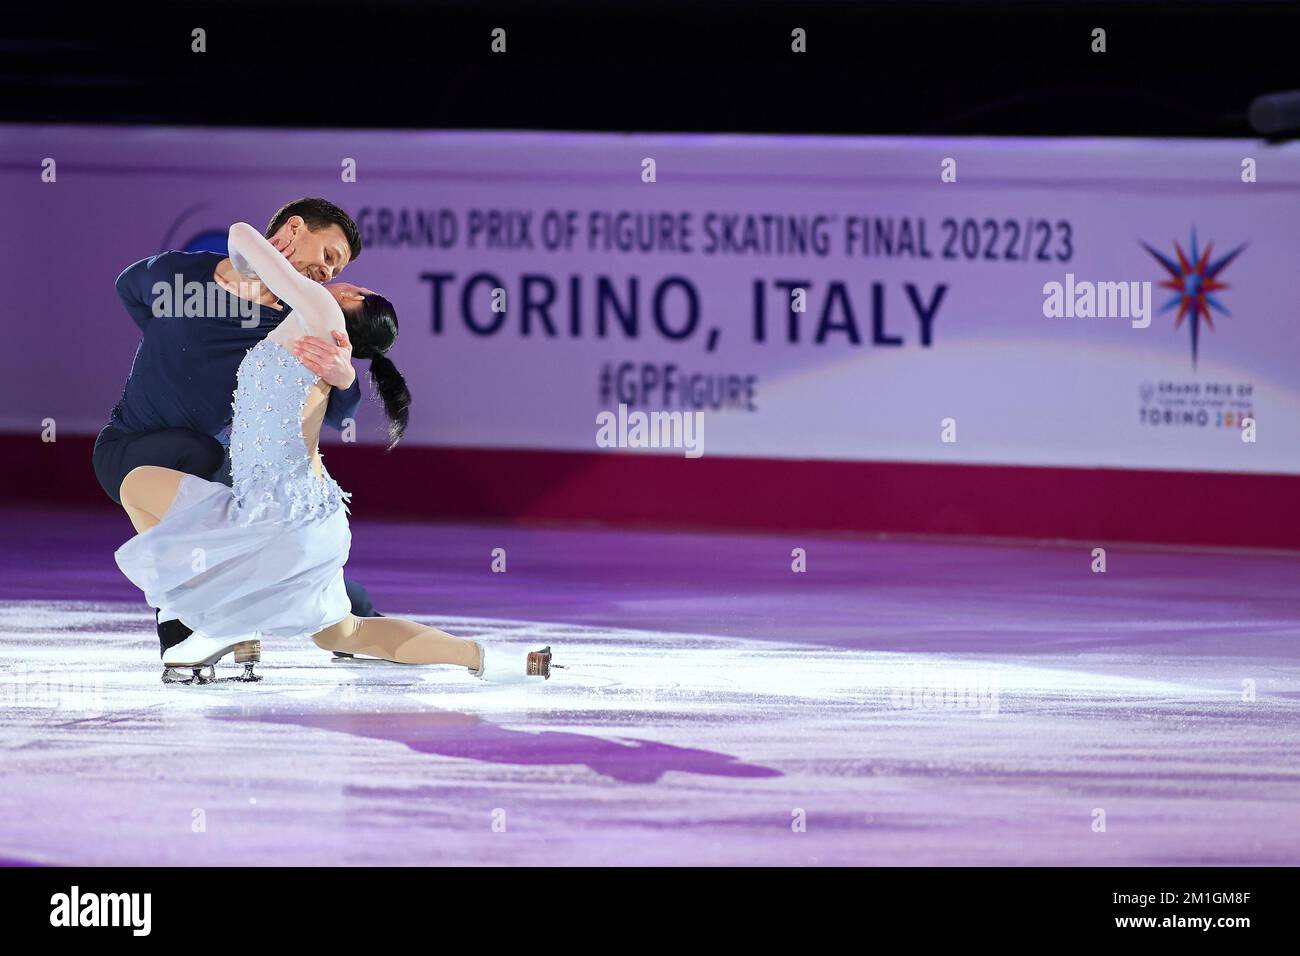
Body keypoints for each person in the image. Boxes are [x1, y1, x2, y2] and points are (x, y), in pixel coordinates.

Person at [112, 221, 555, 685]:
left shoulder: (319, 308)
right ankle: (502, 662)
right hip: (316, 517)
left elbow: (242, 234)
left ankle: (216, 620)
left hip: (274, 512)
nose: (329, 276)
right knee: (346, 632)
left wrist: (277, 247)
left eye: (344, 275)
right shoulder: (319, 338)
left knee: (137, 484)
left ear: (355, 301)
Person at [93, 198, 383, 662]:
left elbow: (338, 413)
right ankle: (193, 626)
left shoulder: (290, 322)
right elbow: (129, 285)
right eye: (329, 256)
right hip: (130, 448)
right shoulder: (181, 277)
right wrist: (165, 338)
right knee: (225, 502)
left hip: (206, 461)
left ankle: (353, 617)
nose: (328, 273)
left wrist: (345, 377)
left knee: (267, 534)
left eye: (336, 269)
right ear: (293, 229)